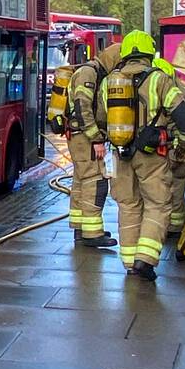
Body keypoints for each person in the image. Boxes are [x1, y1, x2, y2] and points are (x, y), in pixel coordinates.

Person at [98, 30, 185, 282]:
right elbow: (183, 115)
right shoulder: (160, 80)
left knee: (128, 205)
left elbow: (100, 119)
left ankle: (130, 262)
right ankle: (146, 259)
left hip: (120, 152)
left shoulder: (110, 81)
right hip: (152, 153)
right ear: (149, 52)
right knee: (158, 204)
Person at [66, 42, 121, 247]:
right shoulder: (88, 74)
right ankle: (92, 233)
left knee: (81, 181)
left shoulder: (94, 73)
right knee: (95, 180)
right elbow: (83, 107)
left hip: (80, 135)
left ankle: (81, 229)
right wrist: (96, 138)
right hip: (85, 137)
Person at [153, 56, 185, 237]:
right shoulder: (182, 91)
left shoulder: (171, 93)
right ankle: (179, 222)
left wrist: (178, 149)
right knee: (177, 185)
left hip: (175, 147)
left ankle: (173, 227)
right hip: (184, 145)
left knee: (169, 186)